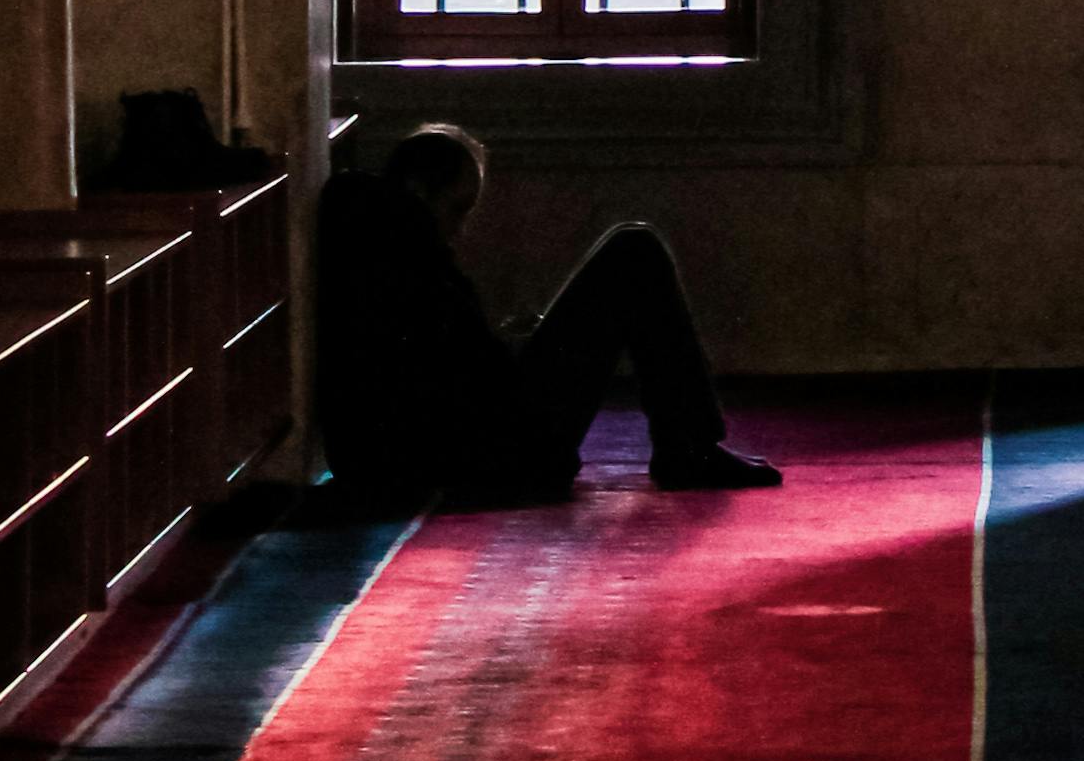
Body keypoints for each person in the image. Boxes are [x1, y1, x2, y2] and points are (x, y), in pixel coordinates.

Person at [314, 124, 782, 503]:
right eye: (457, 209)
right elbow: (467, 382)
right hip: (498, 457)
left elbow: (449, 362)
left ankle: (689, 446)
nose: (459, 228)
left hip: (475, 445)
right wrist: (513, 350)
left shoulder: (381, 238)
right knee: (634, 250)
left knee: (630, 249)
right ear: (418, 189)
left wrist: (506, 344)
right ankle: (689, 448)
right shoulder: (402, 255)